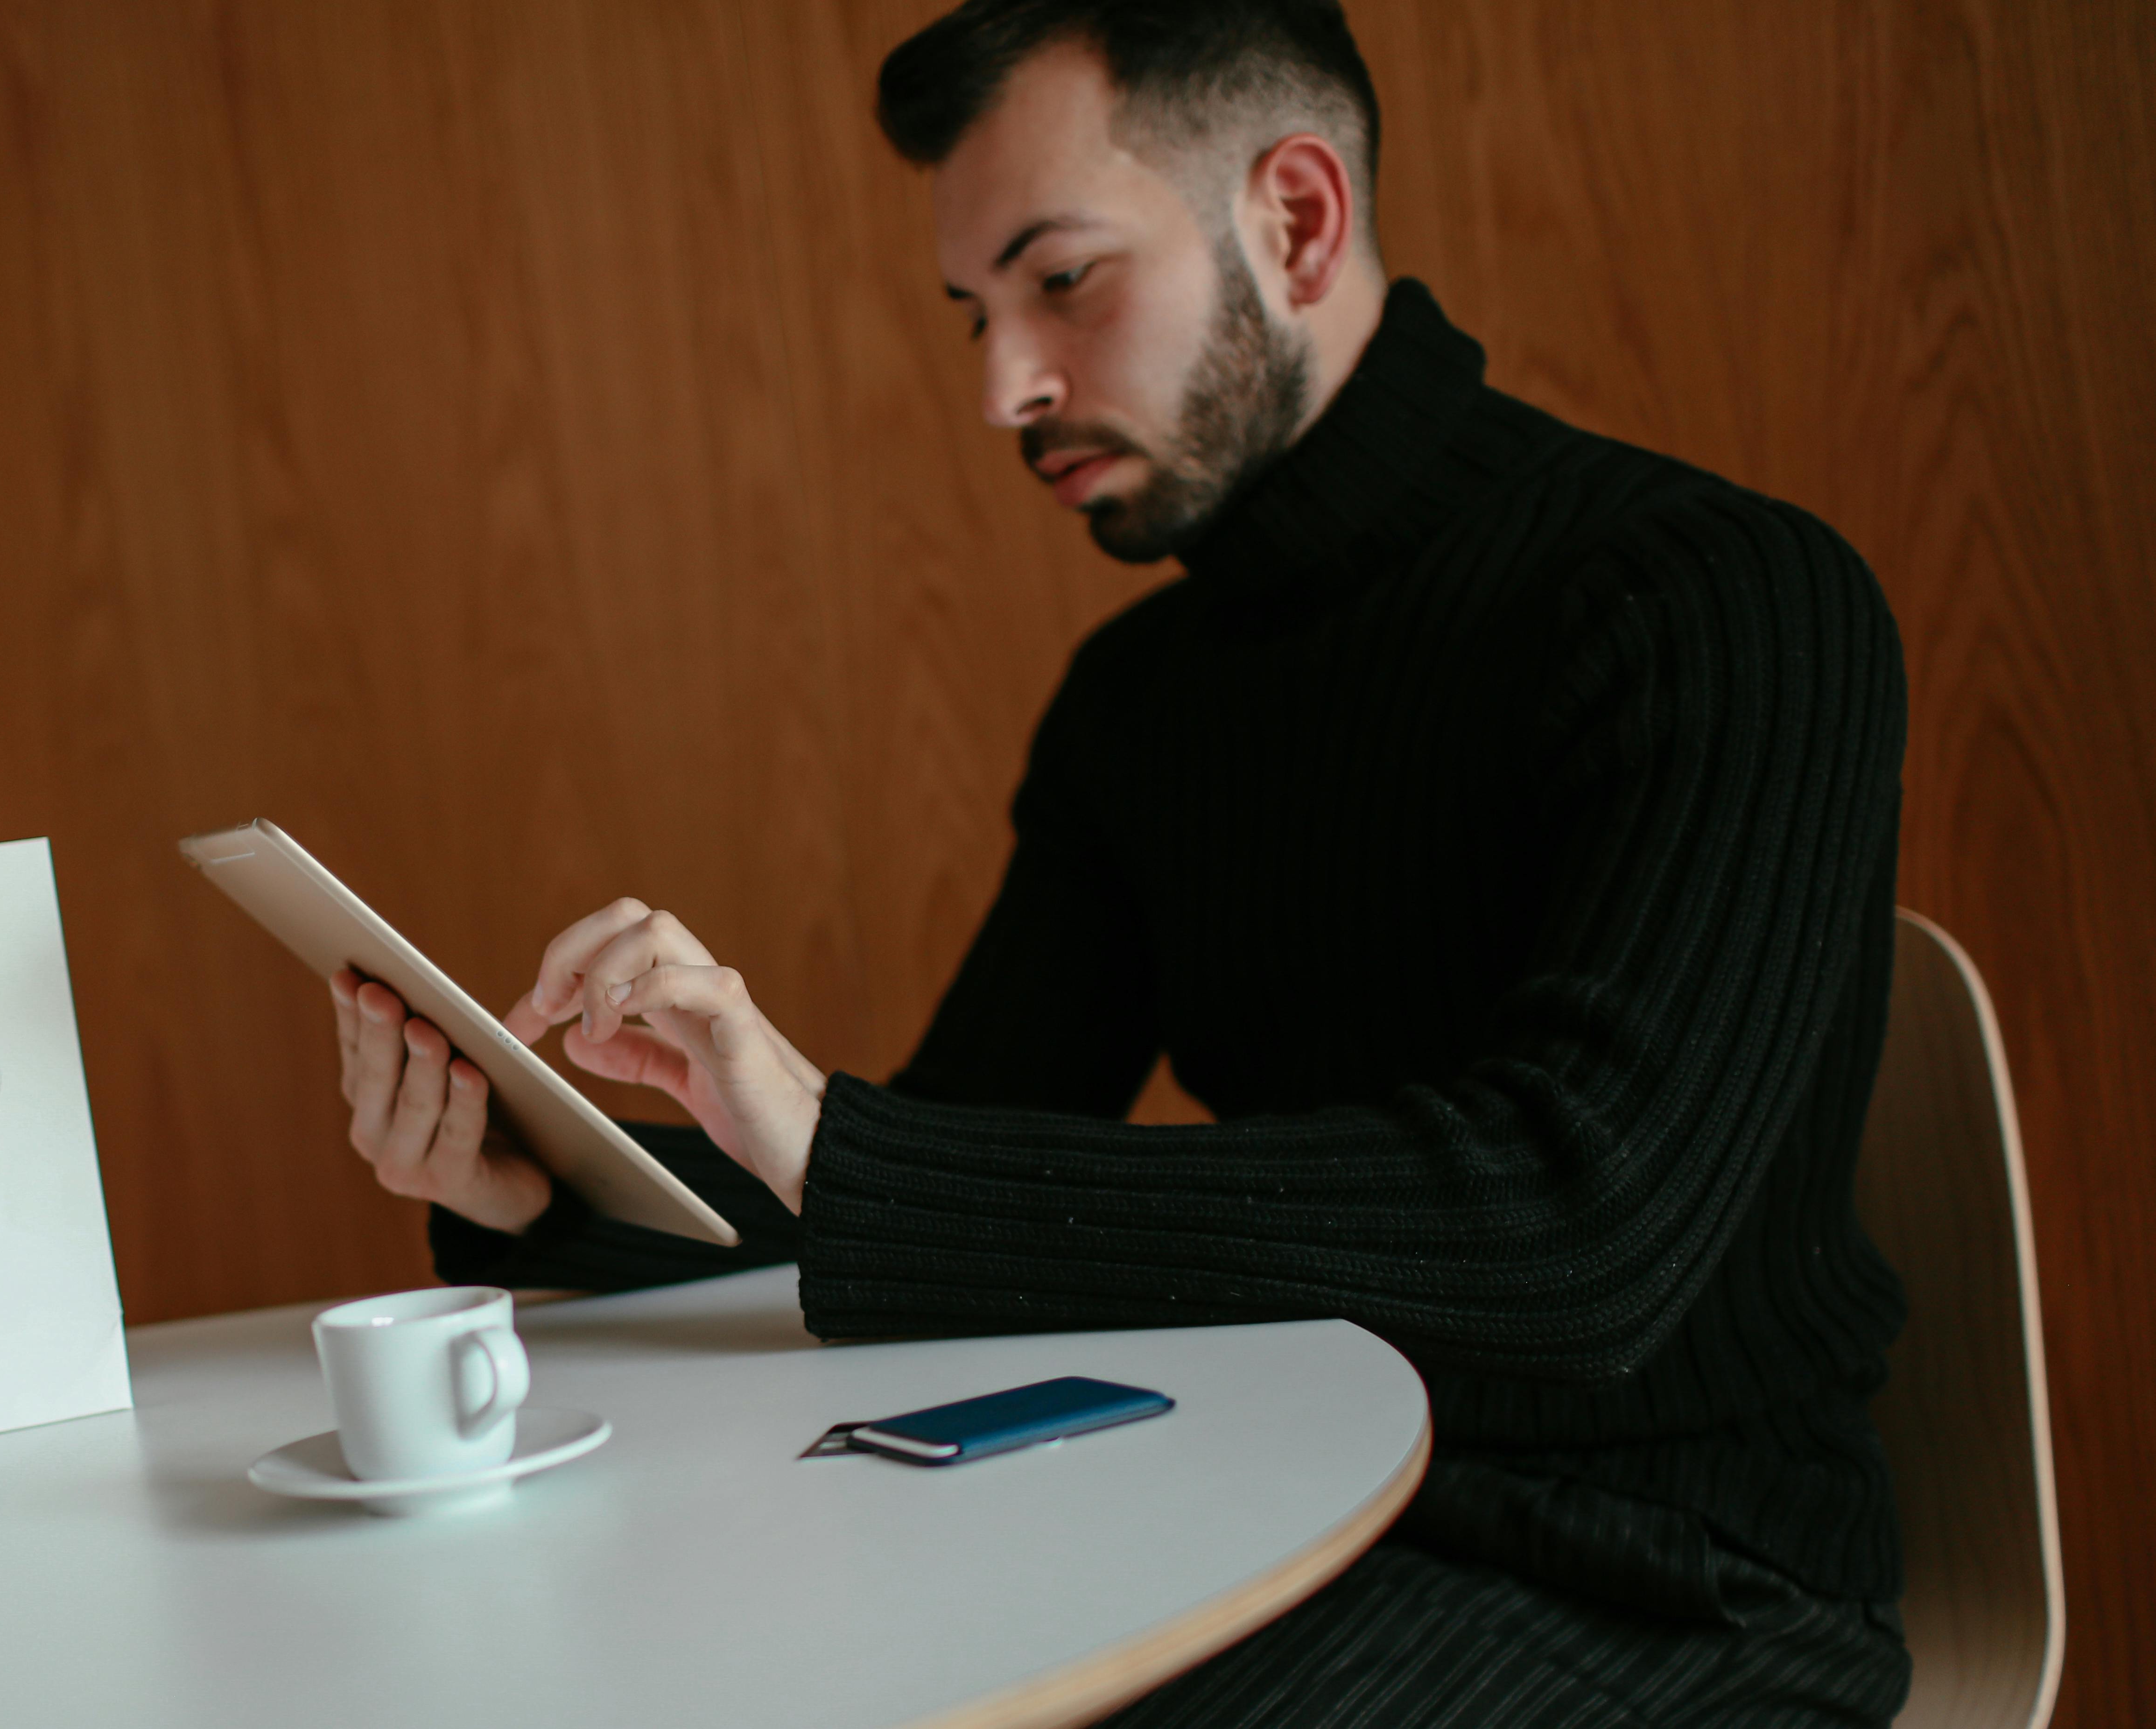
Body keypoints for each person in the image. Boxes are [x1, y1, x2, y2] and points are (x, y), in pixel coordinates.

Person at [326, 2, 1913, 1722]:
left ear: (1295, 221)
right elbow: (939, 1189)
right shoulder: (1136, 706)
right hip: (1259, 1497)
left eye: (1060, 281)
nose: (1002, 385)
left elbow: (1580, 1233)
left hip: (1673, 1580)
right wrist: (542, 1189)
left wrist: (846, 1158)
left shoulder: (1721, 597)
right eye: (975, 314)